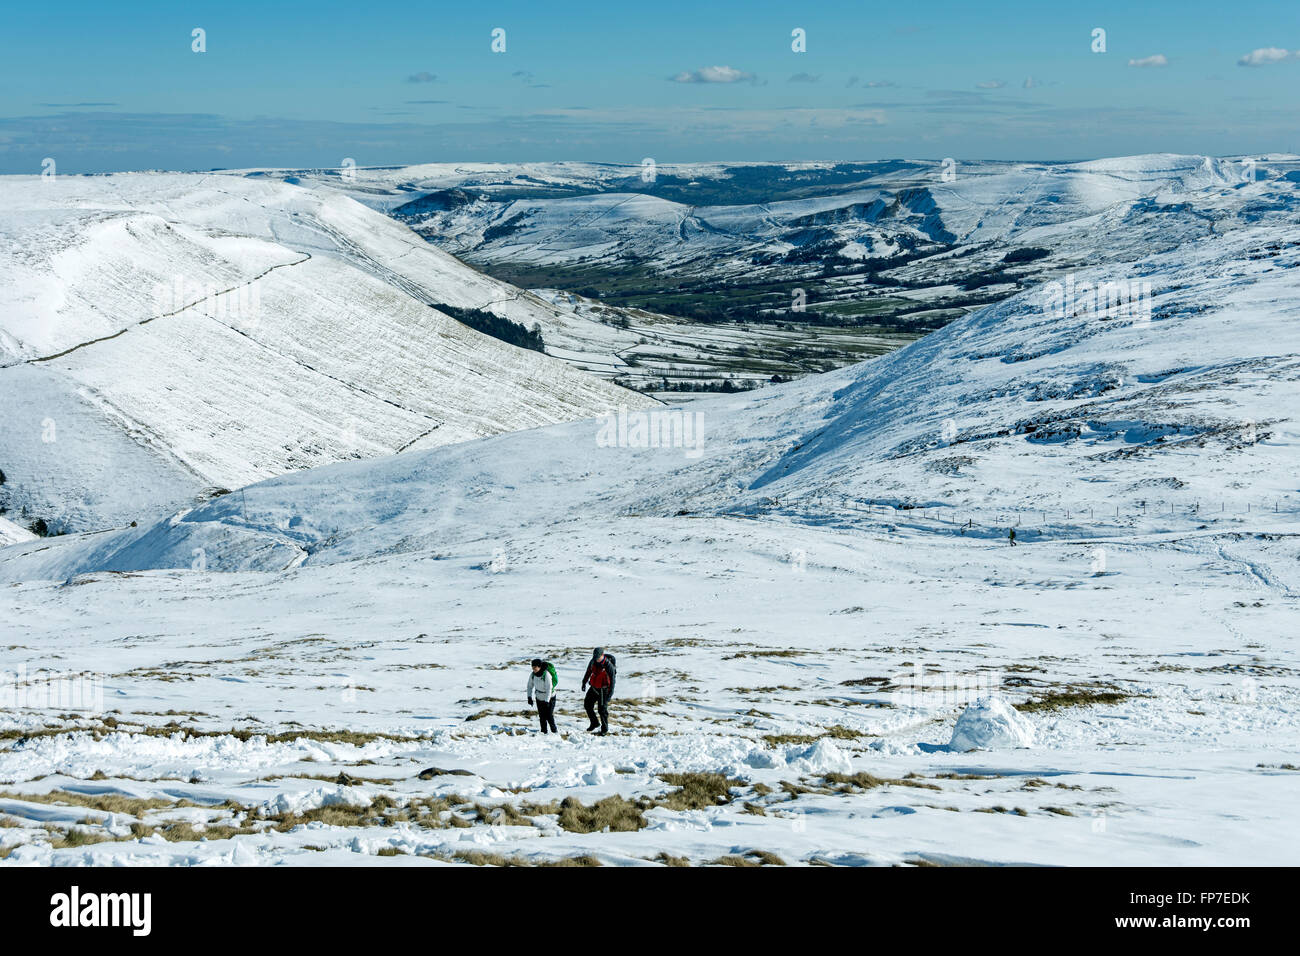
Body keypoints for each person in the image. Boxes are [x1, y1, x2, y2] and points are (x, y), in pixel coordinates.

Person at [581, 647, 617, 736]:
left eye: (597, 657)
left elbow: (612, 681)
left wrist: (609, 695)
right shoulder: (593, 661)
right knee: (587, 705)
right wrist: (584, 682)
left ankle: (604, 729)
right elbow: (588, 671)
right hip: (593, 687)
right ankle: (594, 723)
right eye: (595, 656)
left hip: (603, 690)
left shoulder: (608, 665)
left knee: (602, 710)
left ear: (602, 655)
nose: (596, 659)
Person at [526, 658, 558, 734]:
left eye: (535, 667)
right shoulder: (533, 675)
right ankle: (544, 732)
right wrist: (529, 697)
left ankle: (554, 732)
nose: (533, 669)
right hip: (539, 698)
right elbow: (529, 686)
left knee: (549, 716)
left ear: (539, 666)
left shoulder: (546, 674)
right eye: (532, 667)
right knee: (542, 716)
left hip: (550, 697)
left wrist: (547, 701)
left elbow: (549, 688)